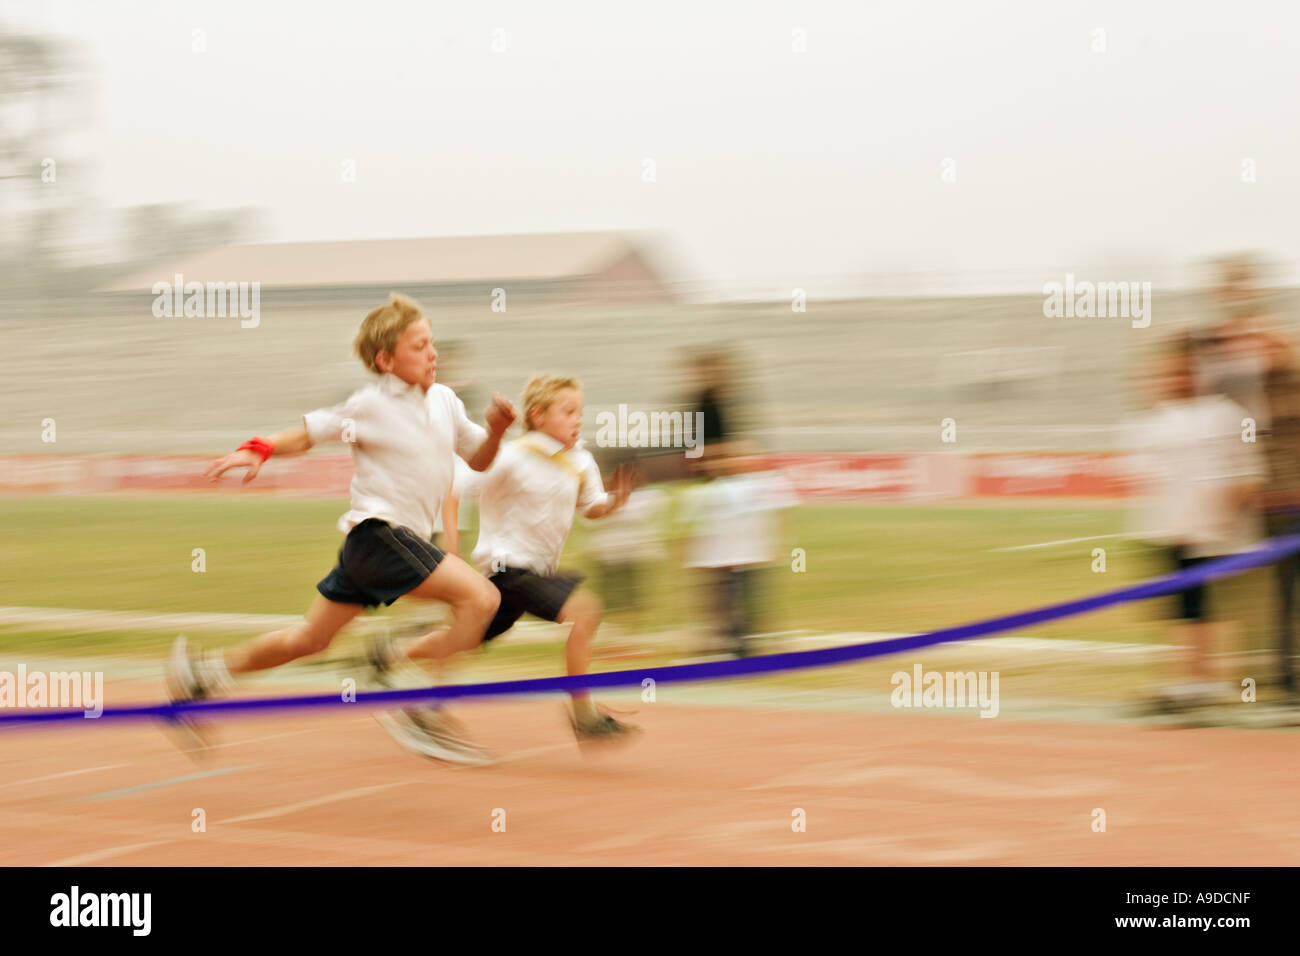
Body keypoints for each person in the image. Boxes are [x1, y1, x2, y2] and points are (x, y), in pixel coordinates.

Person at [166, 292, 517, 753]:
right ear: (386, 360)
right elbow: (309, 434)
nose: (433, 353)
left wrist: (494, 430)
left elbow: (479, 458)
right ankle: (417, 705)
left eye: (431, 342)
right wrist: (260, 447)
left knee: (310, 640)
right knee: (482, 598)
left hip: (379, 548)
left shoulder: (446, 402)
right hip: (382, 536)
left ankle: (202, 675)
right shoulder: (370, 404)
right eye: (419, 346)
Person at [371, 374, 640, 759]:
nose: (577, 419)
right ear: (538, 415)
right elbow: (455, 487)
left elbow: (591, 505)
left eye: (579, 411)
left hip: (530, 577)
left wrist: (615, 502)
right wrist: (452, 542)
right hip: (509, 569)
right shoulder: (512, 455)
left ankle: (391, 654)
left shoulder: (581, 460)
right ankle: (583, 714)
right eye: (567, 411)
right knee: (586, 612)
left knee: (463, 640)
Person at [1127, 332, 1264, 715]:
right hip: (1169, 530)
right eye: (1168, 373)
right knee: (1181, 610)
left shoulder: (1227, 414)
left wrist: (1227, 516)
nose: (1175, 380)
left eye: (1182, 372)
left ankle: (1208, 682)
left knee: (1212, 610)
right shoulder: (1152, 419)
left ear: (1199, 372)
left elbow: (1248, 473)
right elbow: (1145, 477)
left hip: (1217, 535)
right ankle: (1187, 682)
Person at [679, 441, 800, 658]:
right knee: (726, 602)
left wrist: (777, 543)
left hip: (747, 555)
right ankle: (730, 641)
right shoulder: (712, 490)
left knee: (745, 600)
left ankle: (742, 642)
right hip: (724, 557)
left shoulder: (760, 483)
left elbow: (781, 512)